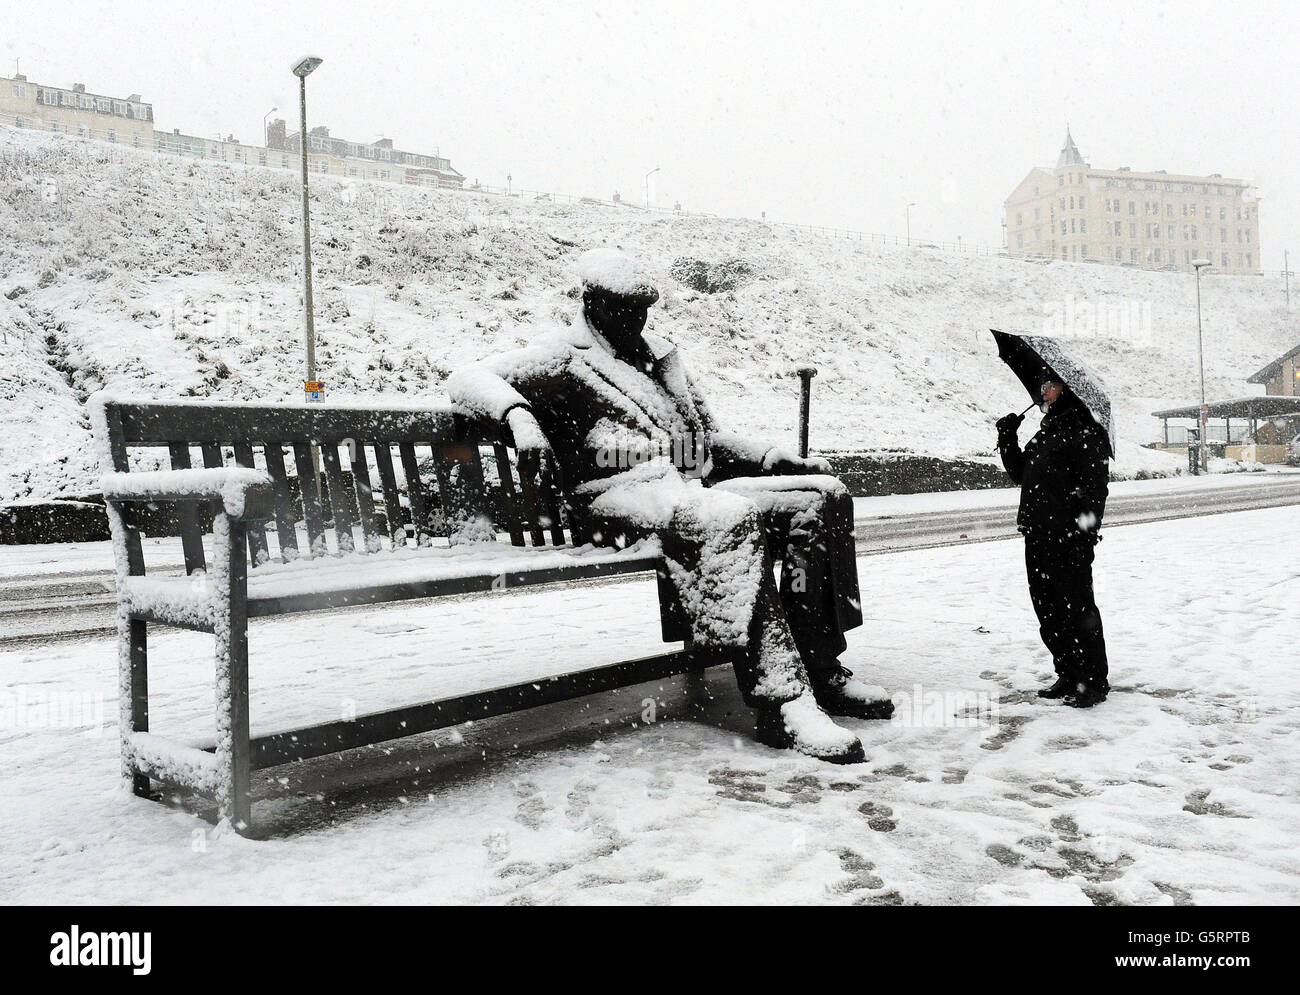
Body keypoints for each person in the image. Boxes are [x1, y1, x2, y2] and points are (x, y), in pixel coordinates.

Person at [446, 248, 892, 763]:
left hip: (682, 492)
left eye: (642, 311)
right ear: (592, 303)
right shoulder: (564, 356)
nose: (635, 321)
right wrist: (519, 418)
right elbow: (467, 378)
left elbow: (707, 442)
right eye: (623, 309)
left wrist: (770, 459)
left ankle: (819, 667)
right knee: (727, 517)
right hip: (615, 500)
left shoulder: (662, 357)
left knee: (821, 498)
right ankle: (783, 702)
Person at [996, 379, 1111, 707]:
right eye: (1042, 386)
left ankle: (1092, 682)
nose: (1043, 392)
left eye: (1050, 387)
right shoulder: (1048, 429)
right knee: (1048, 610)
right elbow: (1020, 474)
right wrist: (1008, 437)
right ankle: (1068, 672)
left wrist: (1085, 534)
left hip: (1068, 539)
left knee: (1078, 610)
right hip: (1037, 534)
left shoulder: (1085, 430)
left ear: (1068, 390)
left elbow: (1095, 488)